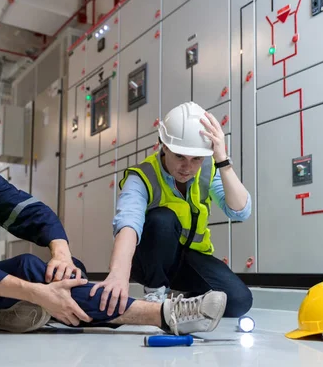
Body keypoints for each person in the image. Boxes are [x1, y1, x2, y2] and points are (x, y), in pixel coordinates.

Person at [0, 86, 228, 335]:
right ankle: (164, 316)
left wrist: (60, 254)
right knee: (35, 274)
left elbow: (31, 212)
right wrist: (35, 290)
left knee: (64, 270)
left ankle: (4, 313)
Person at [90, 102, 253, 318]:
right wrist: (118, 275)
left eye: (196, 158)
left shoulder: (207, 170)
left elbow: (240, 211)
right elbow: (128, 223)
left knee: (239, 302)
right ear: (163, 146)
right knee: (162, 219)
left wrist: (222, 160)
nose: (187, 167)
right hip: (150, 260)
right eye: (179, 156)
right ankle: (155, 296)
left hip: (190, 259)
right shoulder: (143, 176)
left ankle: (180, 301)